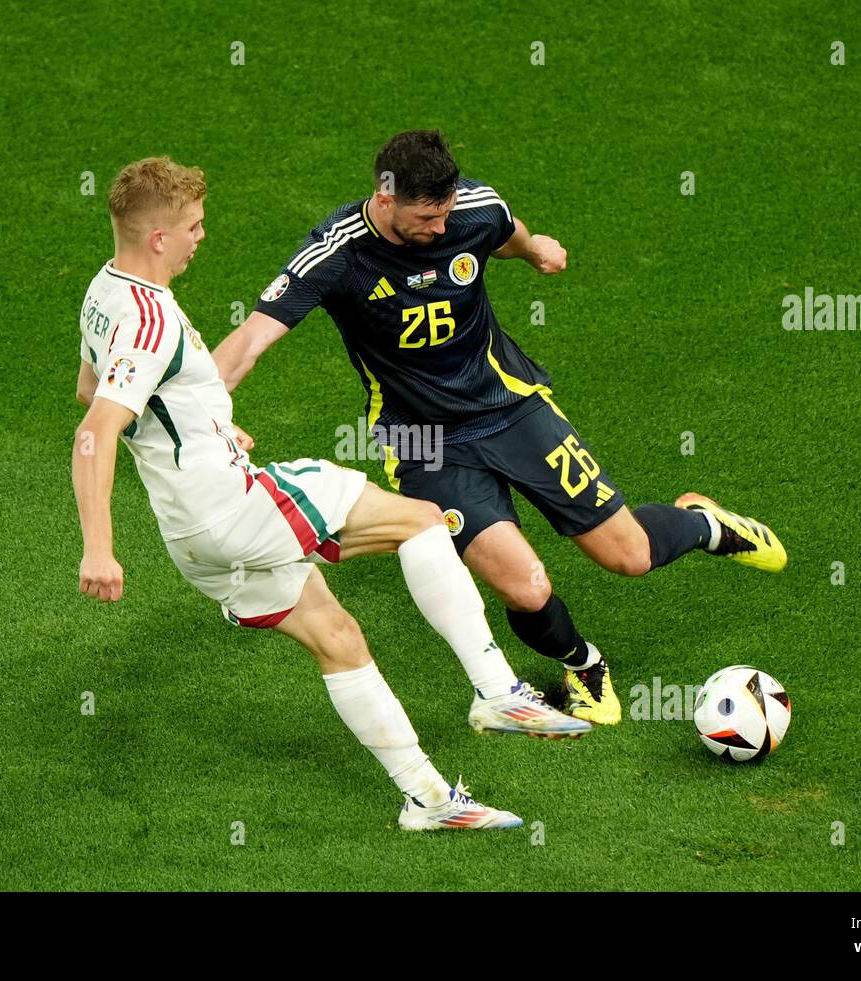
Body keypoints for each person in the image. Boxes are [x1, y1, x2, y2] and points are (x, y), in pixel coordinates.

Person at [71, 157, 589, 832]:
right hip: (232, 506)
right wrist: (99, 549)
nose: (203, 235)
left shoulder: (103, 295)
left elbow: (93, 386)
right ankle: (497, 691)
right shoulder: (150, 318)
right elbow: (96, 425)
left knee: (337, 635)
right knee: (424, 519)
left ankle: (429, 799)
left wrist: (204, 424)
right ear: (160, 237)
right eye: (194, 226)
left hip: (192, 539)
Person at [213, 130, 788, 728]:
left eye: (444, 213)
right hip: (425, 444)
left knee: (629, 557)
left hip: (512, 406)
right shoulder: (336, 255)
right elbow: (252, 338)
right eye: (425, 217)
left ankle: (704, 522)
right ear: (384, 199)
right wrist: (208, 413)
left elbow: (507, 233)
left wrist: (537, 250)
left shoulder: (472, 211)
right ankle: (584, 666)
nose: (439, 228)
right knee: (526, 585)